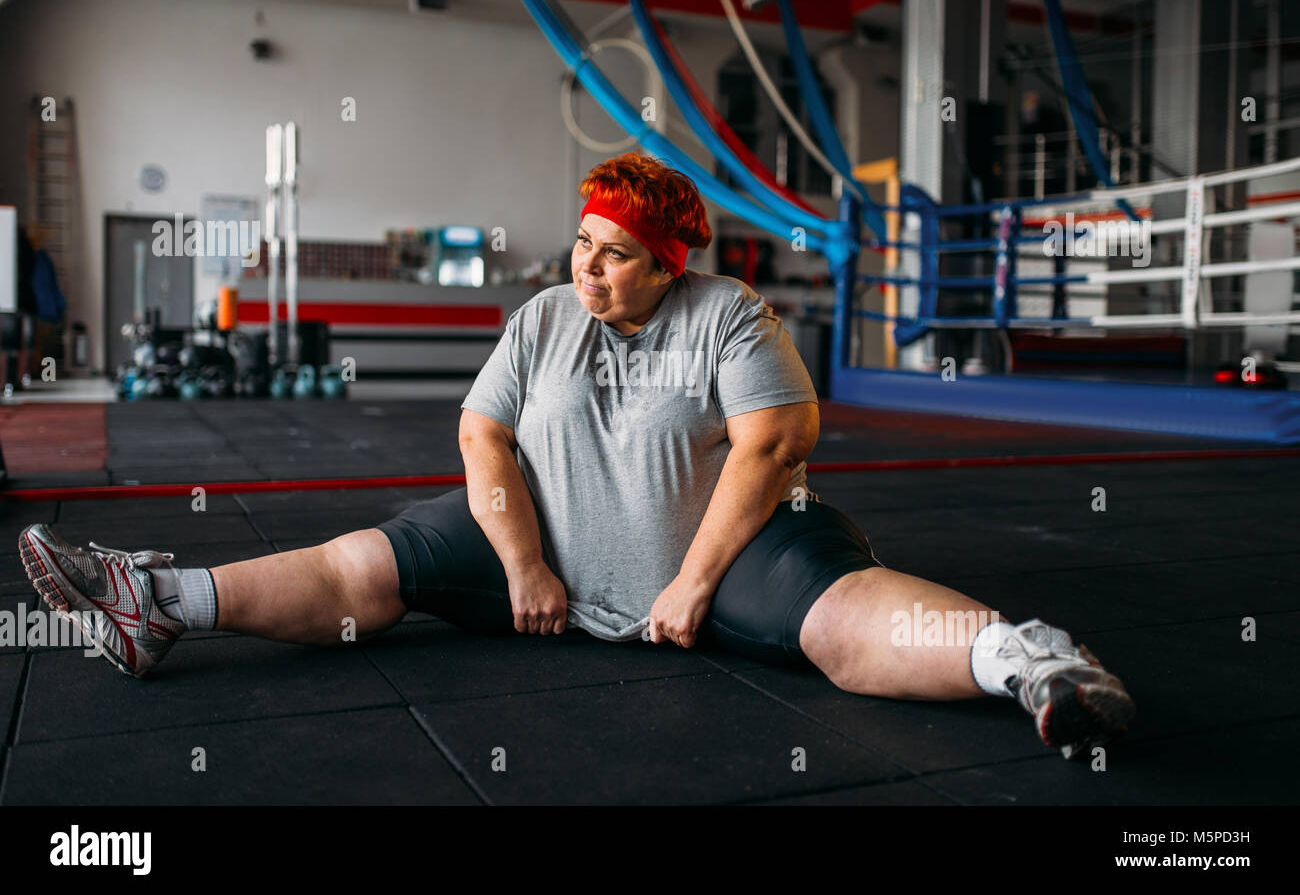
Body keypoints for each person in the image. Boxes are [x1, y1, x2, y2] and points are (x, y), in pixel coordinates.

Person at [19, 152, 1135, 761]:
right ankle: (160, 601)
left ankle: (1030, 663)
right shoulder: (548, 314)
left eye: (614, 257)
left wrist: (695, 583)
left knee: (840, 631)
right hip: (541, 533)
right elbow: (482, 432)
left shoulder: (730, 316)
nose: (586, 268)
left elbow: (776, 442)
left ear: (667, 266)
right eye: (583, 243)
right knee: (371, 567)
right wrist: (519, 565)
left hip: (723, 549)